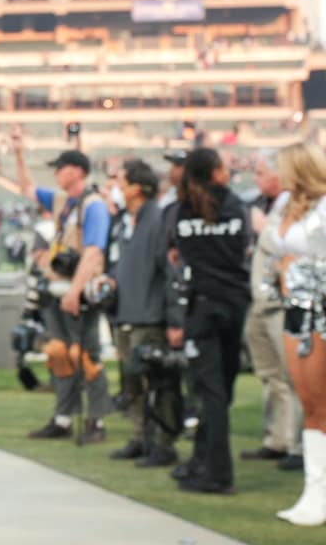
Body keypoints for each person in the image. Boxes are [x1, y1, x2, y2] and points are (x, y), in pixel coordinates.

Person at [10, 131, 114, 444]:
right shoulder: (61, 201)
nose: (56, 173)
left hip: (78, 293)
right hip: (56, 290)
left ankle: (96, 420)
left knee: (86, 356)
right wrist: (18, 154)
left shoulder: (93, 206)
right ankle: (63, 417)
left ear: (78, 171)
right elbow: (27, 189)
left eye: (61, 168)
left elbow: (93, 252)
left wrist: (75, 291)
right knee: (58, 354)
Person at [172, 147, 250, 494]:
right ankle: (203, 460)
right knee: (222, 390)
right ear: (216, 172)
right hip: (234, 304)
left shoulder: (183, 209)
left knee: (210, 392)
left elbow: (180, 253)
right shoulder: (234, 206)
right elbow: (241, 248)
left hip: (202, 305)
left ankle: (217, 473)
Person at [108, 159, 182, 467]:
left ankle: (163, 443)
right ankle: (140, 437)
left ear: (136, 188)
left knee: (159, 383)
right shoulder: (125, 221)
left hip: (150, 315)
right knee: (132, 382)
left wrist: (174, 319)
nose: (117, 187)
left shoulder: (158, 220)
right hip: (126, 312)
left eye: (122, 182)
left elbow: (171, 272)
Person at [266, 143, 326, 524]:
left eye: (282, 166)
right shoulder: (285, 205)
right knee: (308, 401)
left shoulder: (324, 207)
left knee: (321, 402)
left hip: (319, 310)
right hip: (294, 309)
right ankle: (313, 490)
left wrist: (296, 267)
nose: (277, 174)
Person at [241, 149, 303, 470]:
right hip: (261, 300)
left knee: (294, 376)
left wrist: (264, 228)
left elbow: (290, 245)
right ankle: (277, 438)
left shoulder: (298, 204)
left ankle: (299, 445)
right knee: (270, 374)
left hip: (283, 302)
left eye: (262, 173)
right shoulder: (267, 204)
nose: (257, 179)